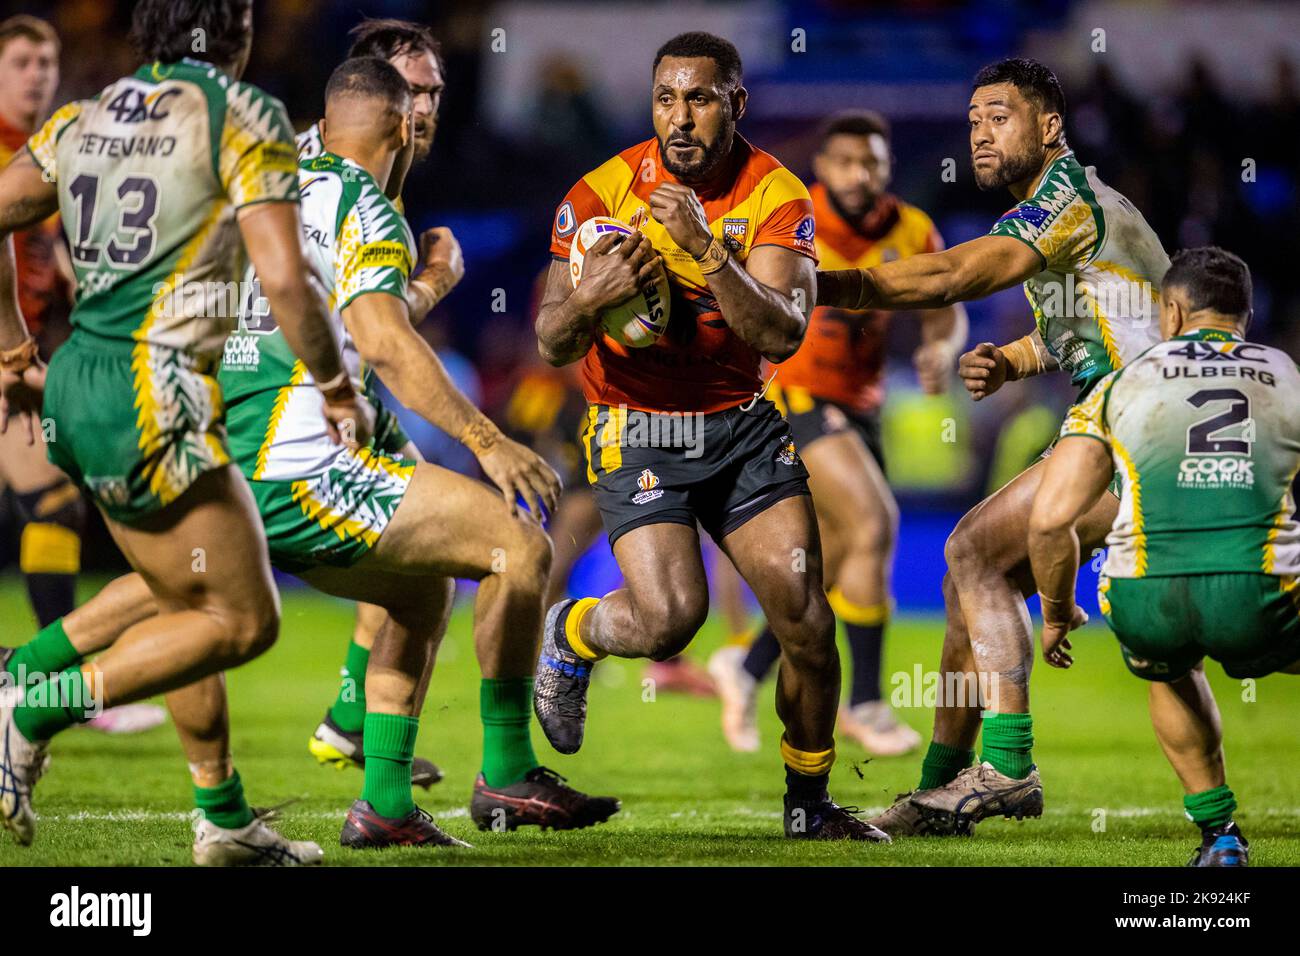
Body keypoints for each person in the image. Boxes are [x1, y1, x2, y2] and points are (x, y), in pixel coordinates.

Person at [0, 0, 370, 863]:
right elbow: (285, 277)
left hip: (79, 380)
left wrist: (13, 340)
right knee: (245, 621)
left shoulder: (84, 115)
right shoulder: (241, 114)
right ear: (234, 30)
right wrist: (336, 385)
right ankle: (31, 704)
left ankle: (224, 818)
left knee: (184, 603)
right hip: (151, 387)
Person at [533, 31, 888, 841]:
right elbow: (553, 341)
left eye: (699, 98)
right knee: (669, 622)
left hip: (742, 428)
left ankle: (809, 805)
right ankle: (574, 631)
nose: (680, 117)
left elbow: (781, 332)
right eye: (666, 98)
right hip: (636, 427)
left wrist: (704, 249)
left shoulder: (777, 194)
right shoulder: (596, 195)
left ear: (736, 102)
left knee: (805, 620)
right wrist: (591, 297)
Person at [816, 58, 1169, 835]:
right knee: (965, 583)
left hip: (1140, 430)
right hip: (1130, 419)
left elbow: (949, 275)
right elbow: (1110, 320)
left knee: (972, 551)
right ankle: (937, 795)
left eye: (999, 117)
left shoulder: (1065, 199)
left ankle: (1008, 768)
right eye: (974, 120)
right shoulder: (1073, 213)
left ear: (1049, 127)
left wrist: (828, 286)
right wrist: (1015, 358)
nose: (980, 133)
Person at [1028, 247, 1300, 867]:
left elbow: (1048, 521)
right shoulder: (1285, 372)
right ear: (1246, 318)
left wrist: (1055, 610)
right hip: (1261, 592)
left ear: (1171, 313)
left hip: (1146, 598)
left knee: (1168, 665)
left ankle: (1220, 836)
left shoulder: (1123, 382)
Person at [709, 110, 967, 756]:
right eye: (847, 162)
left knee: (828, 566)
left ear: (887, 167)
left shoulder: (912, 230)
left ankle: (744, 667)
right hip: (791, 396)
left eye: (872, 162)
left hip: (862, 408)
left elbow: (944, 310)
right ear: (822, 168)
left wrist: (943, 350)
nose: (860, 174)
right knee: (876, 522)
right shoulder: (793, 217)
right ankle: (869, 702)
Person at [296, 16, 449, 791]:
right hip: (279, 403)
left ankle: (352, 723)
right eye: (410, 90)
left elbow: (363, 323)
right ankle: (39, 680)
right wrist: (433, 284)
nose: (423, 108)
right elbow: (366, 325)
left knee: (413, 549)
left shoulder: (377, 174)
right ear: (371, 93)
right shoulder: (332, 175)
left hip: (326, 392)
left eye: (434, 92)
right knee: (213, 599)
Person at [0, 14, 164, 736]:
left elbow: (46, 260)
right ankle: (46, 681)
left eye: (47, 60)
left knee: (55, 503)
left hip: (28, 352)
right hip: (10, 354)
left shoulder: (52, 152)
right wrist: (10, 353)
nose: (37, 73)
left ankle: (45, 678)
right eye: (22, 60)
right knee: (55, 501)